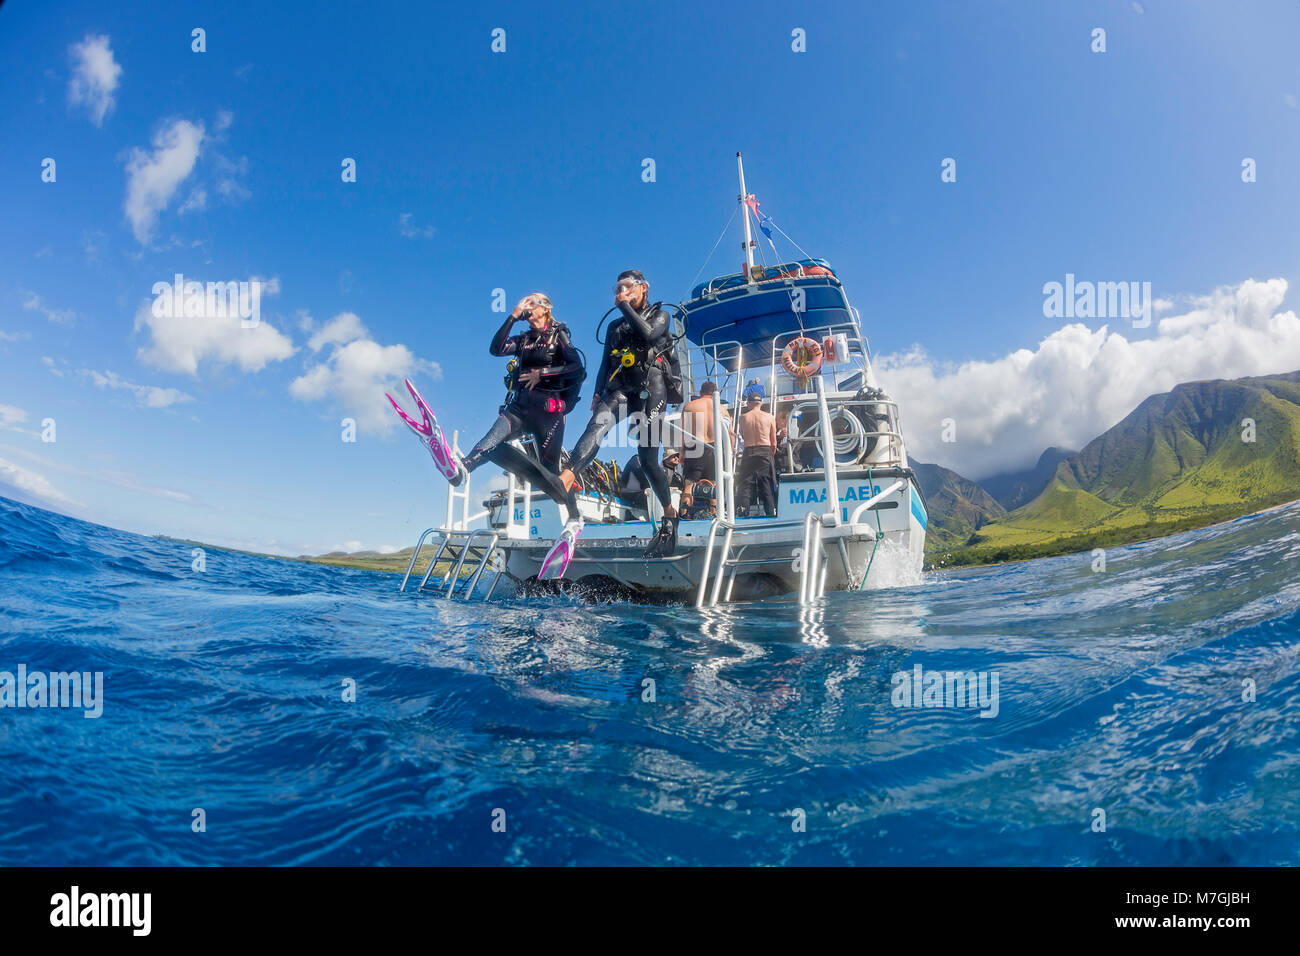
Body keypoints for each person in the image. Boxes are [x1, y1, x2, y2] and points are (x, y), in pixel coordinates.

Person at [386, 293, 586, 579]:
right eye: (525, 304)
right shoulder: (523, 339)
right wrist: (512, 316)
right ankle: (461, 470)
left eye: (533, 303)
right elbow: (496, 349)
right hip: (519, 407)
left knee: (552, 476)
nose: (528, 307)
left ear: (546, 308)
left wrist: (542, 372)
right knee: (492, 439)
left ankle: (574, 519)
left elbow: (576, 368)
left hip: (548, 411)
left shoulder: (559, 335)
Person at [560, 269, 684, 557]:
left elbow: (648, 333)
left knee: (647, 458)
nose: (622, 292)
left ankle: (669, 512)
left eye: (628, 287)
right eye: (618, 288)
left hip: (652, 390)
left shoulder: (661, 316)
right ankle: (566, 478)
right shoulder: (614, 326)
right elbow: (605, 363)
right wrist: (595, 393)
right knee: (597, 425)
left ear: (644, 288)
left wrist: (624, 305)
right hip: (622, 389)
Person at [678, 381, 729, 517]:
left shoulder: (690, 406)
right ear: (715, 393)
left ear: (701, 392)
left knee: (689, 484)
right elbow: (730, 433)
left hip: (695, 445)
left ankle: (684, 515)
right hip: (714, 447)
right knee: (713, 484)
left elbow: (683, 432)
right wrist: (729, 452)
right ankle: (715, 515)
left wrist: (682, 452)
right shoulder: (722, 409)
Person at [736, 382, 778, 517]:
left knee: (746, 484)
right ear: (761, 404)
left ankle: (743, 513)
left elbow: (742, 434)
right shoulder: (770, 417)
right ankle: (770, 513)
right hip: (765, 450)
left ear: (749, 404)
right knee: (765, 483)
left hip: (749, 451)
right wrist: (771, 454)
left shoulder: (742, 418)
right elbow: (774, 442)